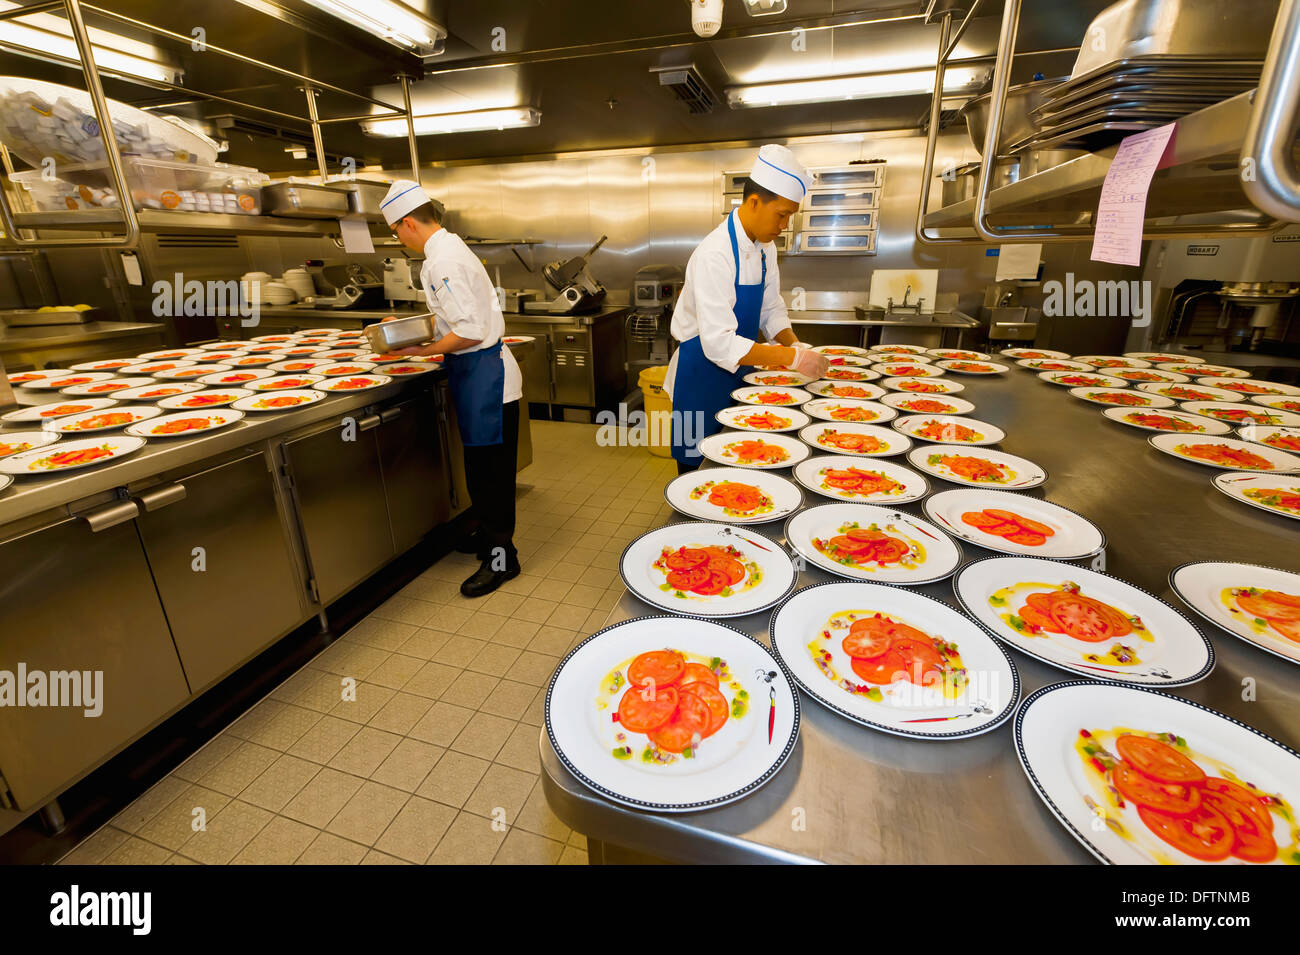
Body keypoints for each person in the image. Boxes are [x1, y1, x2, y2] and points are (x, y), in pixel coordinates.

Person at [380, 179, 523, 598]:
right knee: (481, 470)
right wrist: (415, 336)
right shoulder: (446, 250)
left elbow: (470, 331)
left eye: (395, 232)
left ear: (407, 223)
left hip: (488, 379)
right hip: (478, 374)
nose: (399, 239)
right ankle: (488, 535)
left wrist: (421, 351)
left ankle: (503, 558)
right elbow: (457, 319)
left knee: (491, 475)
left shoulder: (443, 260)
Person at [665, 144, 828, 472]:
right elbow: (719, 343)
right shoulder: (716, 253)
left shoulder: (766, 248)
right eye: (781, 214)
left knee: (741, 457)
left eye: (790, 216)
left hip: (742, 369)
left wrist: (792, 343)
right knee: (696, 465)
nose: (784, 225)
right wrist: (792, 359)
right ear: (754, 202)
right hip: (701, 375)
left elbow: (771, 309)